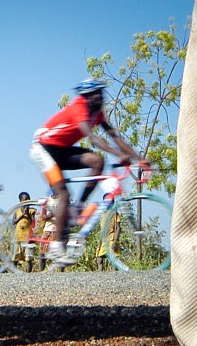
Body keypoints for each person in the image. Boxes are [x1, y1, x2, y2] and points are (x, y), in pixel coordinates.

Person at [30, 80, 145, 266]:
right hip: (42, 149)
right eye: (96, 94)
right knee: (64, 194)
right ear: (87, 97)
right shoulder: (78, 108)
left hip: (61, 150)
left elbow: (115, 136)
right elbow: (92, 137)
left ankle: (79, 206)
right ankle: (56, 249)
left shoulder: (98, 113)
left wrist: (138, 158)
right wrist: (119, 154)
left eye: (102, 93)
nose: (101, 97)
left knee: (98, 161)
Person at [12, 191, 37, 272]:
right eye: (26, 199)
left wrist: (28, 214)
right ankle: (14, 272)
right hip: (18, 237)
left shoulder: (32, 211)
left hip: (28, 237)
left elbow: (33, 223)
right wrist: (22, 215)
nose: (28, 201)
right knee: (15, 257)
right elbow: (13, 222)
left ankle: (28, 273)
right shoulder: (17, 211)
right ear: (21, 201)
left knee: (29, 258)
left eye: (29, 199)